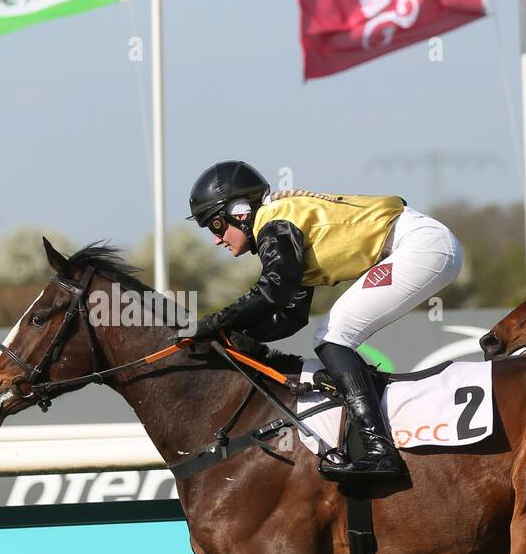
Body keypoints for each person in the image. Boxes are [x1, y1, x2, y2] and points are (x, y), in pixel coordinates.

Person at [186, 160, 462, 481]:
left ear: (240, 211)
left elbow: (273, 290)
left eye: (216, 226)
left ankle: (378, 449)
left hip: (419, 246)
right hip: (422, 244)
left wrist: (216, 323)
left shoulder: (275, 223)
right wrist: (237, 337)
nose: (216, 239)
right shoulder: (283, 222)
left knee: (334, 336)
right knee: (330, 335)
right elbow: (291, 317)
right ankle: (376, 440)